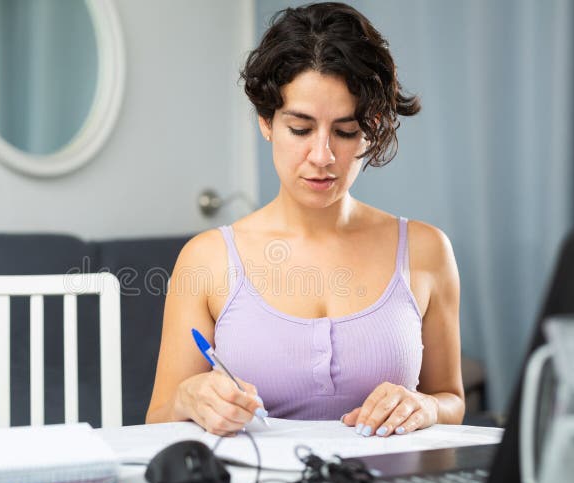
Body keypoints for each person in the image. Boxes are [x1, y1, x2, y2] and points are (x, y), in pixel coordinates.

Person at [146, 2, 464, 438]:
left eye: (345, 131)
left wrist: (426, 406)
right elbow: (158, 418)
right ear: (266, 121)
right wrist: (188, 398)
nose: (322, 157)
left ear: (370, 129)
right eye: (300, 128)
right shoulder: (207, 259)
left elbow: (451, 399)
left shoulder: (427, 250)